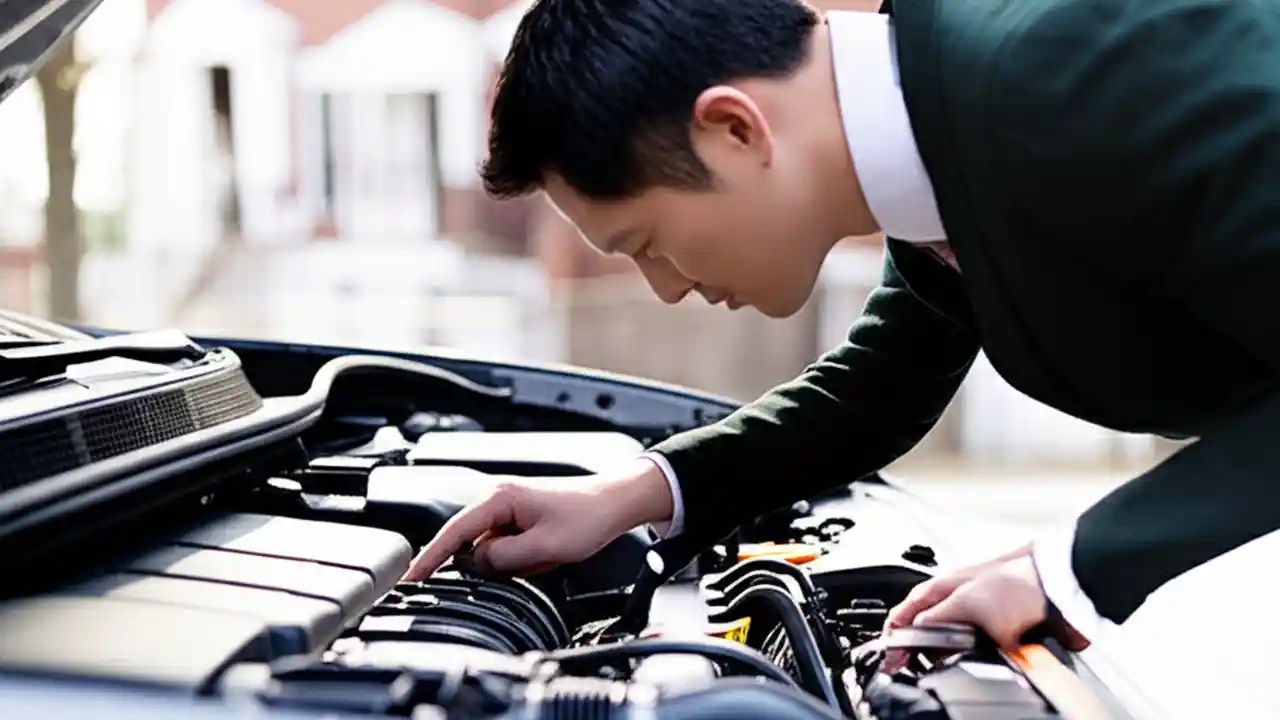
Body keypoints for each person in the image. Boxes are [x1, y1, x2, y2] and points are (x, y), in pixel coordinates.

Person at [403, 0, 1280, 655]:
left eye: (647, 244)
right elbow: (881, 384)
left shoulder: (1052, 70)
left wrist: (1074, 569)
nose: (663, 290)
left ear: (734, 129)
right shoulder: (947, 116)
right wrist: (628, 497)